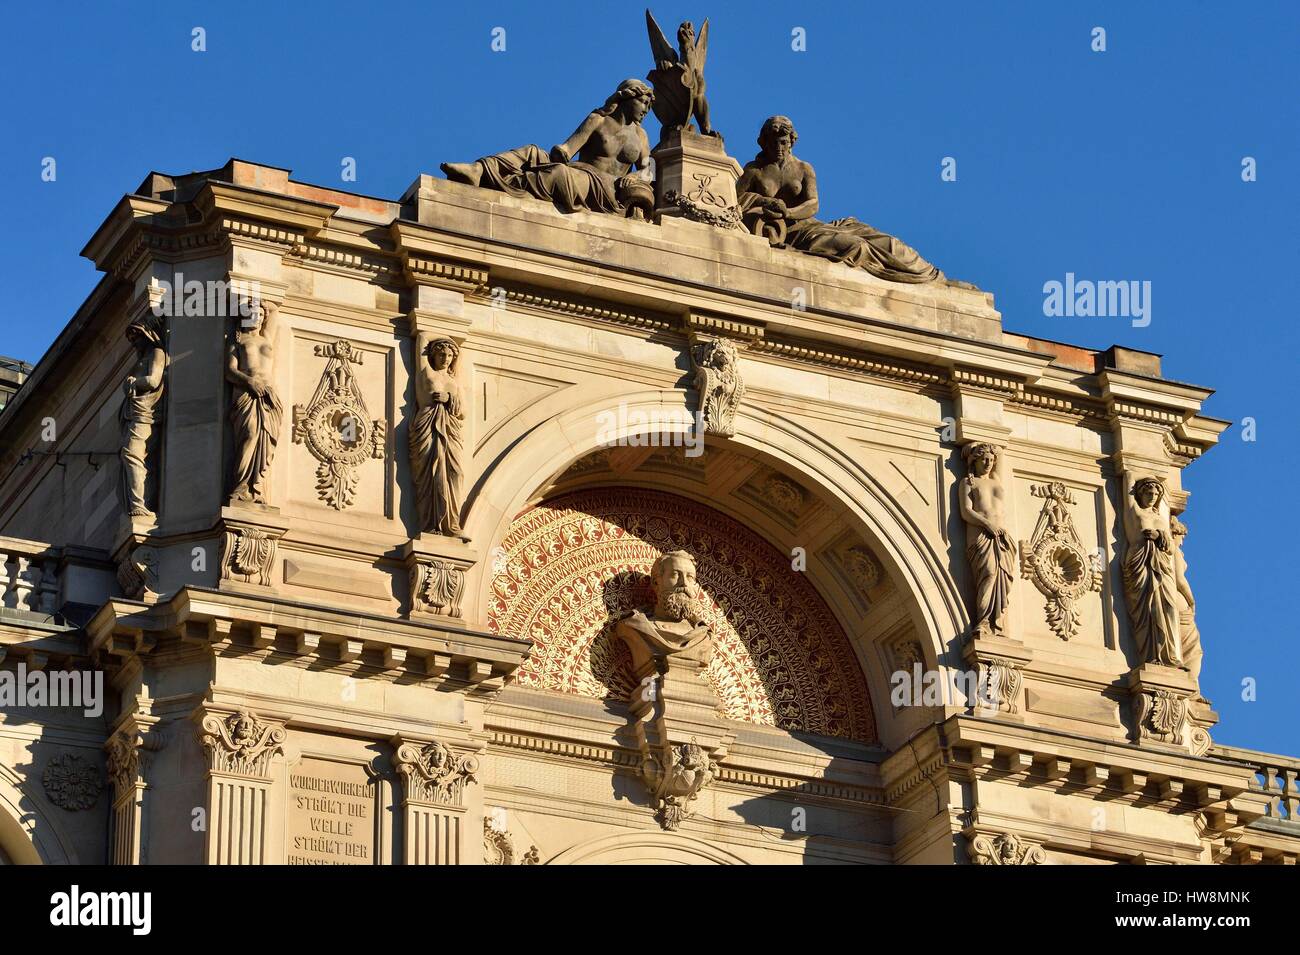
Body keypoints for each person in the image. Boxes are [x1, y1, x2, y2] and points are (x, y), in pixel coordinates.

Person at [736, 115, 942, 283]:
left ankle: (932, 276)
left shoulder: (803, 169)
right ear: (765, 144)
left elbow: (813, 204)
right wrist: (764, 202)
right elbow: (735, 200)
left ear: (791, 142)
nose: (779, 148)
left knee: (888, 242)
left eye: (783, 142)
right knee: (857, 246)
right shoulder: (755, 170)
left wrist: (788, 212)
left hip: (808, 225)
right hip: (788, 234)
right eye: (773, 144)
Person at [441, 78, 655, 218]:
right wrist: (560, 152)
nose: (646, 109)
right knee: (533, 152)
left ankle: (506, 183)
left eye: (648, 105)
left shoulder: (641, 136)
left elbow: (650, 171)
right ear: (628, 97)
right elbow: (567, 149)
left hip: (610, 189)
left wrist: (637, 178)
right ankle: (479, 171)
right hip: (583, 173)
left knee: (559, 173)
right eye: (643, 102)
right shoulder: (597, 120)